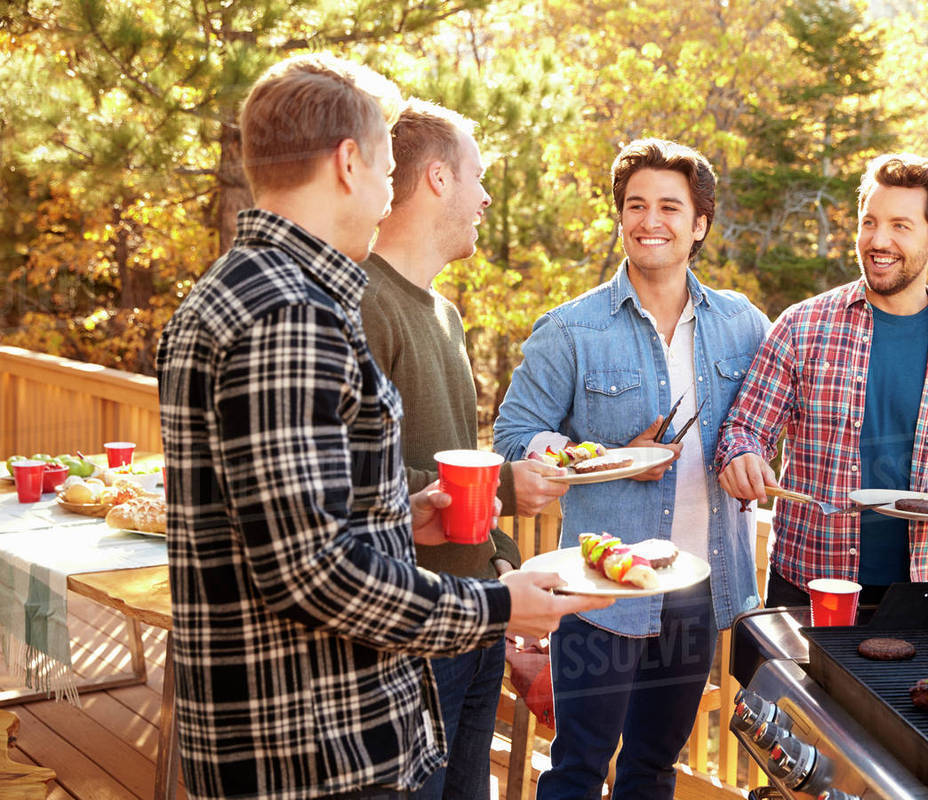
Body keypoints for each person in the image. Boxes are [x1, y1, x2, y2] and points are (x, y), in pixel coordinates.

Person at [155, 54, 608, 800]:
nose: (387, 190)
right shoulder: (289, 317)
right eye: (385, 165)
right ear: (348, 162)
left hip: (297, 743)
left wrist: (401, 513)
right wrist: (500, 605)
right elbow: (311, 572)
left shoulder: (246, 291)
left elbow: (287, 521)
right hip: (317, 751)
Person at [493, 138, 770, 800]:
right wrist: (602, 459)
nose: (651, 221)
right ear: (620, 217)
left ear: (699, 224)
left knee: (654, 767)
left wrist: (757, 456)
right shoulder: (571, 329)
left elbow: (770, 419)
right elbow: (512, 436)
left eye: (670, 207)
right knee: (579, 765)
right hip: (599, 592)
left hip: (697, 590)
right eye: (636, 205)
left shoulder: (744, 325)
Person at [358, 99, 570, 800]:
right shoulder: (362, 301)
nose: (485, 198)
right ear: (438, 179)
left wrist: (504, 566)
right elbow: (359, 481)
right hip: (412, 637)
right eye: (478, 177)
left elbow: (451, 463)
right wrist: (505, 486)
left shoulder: (443, 313)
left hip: (476, 619)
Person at [715, 152, 928, 609]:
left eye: (900, 226)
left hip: (918, 593)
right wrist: (742, 455)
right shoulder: (802, 326)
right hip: (806, 584)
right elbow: (742, 429)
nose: (879, 239)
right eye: (869, 222)